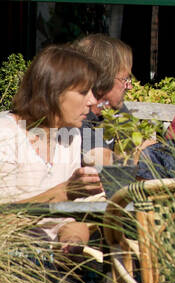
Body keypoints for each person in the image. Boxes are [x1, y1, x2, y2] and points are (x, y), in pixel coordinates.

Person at [0, 46, 102, 244]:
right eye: (83, 92)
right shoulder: (6, 134)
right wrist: (65, 192)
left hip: (51, 263)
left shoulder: (70, 137)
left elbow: (69, 220)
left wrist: (72, 244)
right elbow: (4, 217)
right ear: (54, 92)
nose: (92, 101)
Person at [71, 33, 134, 160]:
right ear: (102, 80)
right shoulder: (78, 118)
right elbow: (103, 164)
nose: (129, 87)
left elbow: (134, 146)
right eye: (125, 79)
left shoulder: (116, 110)